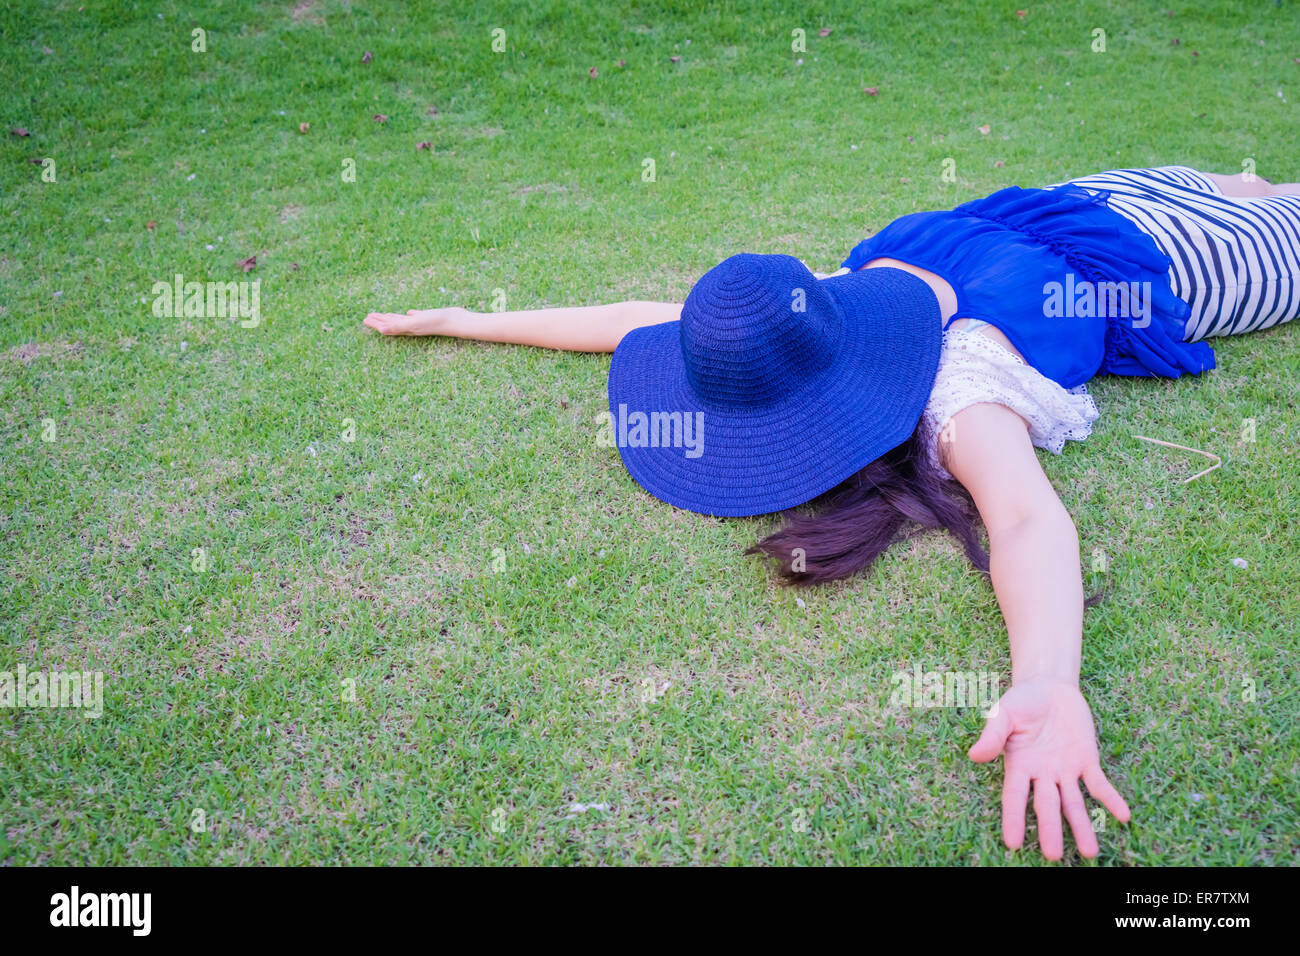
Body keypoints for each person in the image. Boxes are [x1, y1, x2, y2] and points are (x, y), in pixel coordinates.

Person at [363, 166, 1300, 860]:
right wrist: (463, 320)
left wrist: (1051, 681)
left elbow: (1025, 521)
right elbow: (642, 321)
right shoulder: (822, 310)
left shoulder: (956, 391)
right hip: (1099, 211)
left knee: (1264, 185)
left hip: (1152, 247)